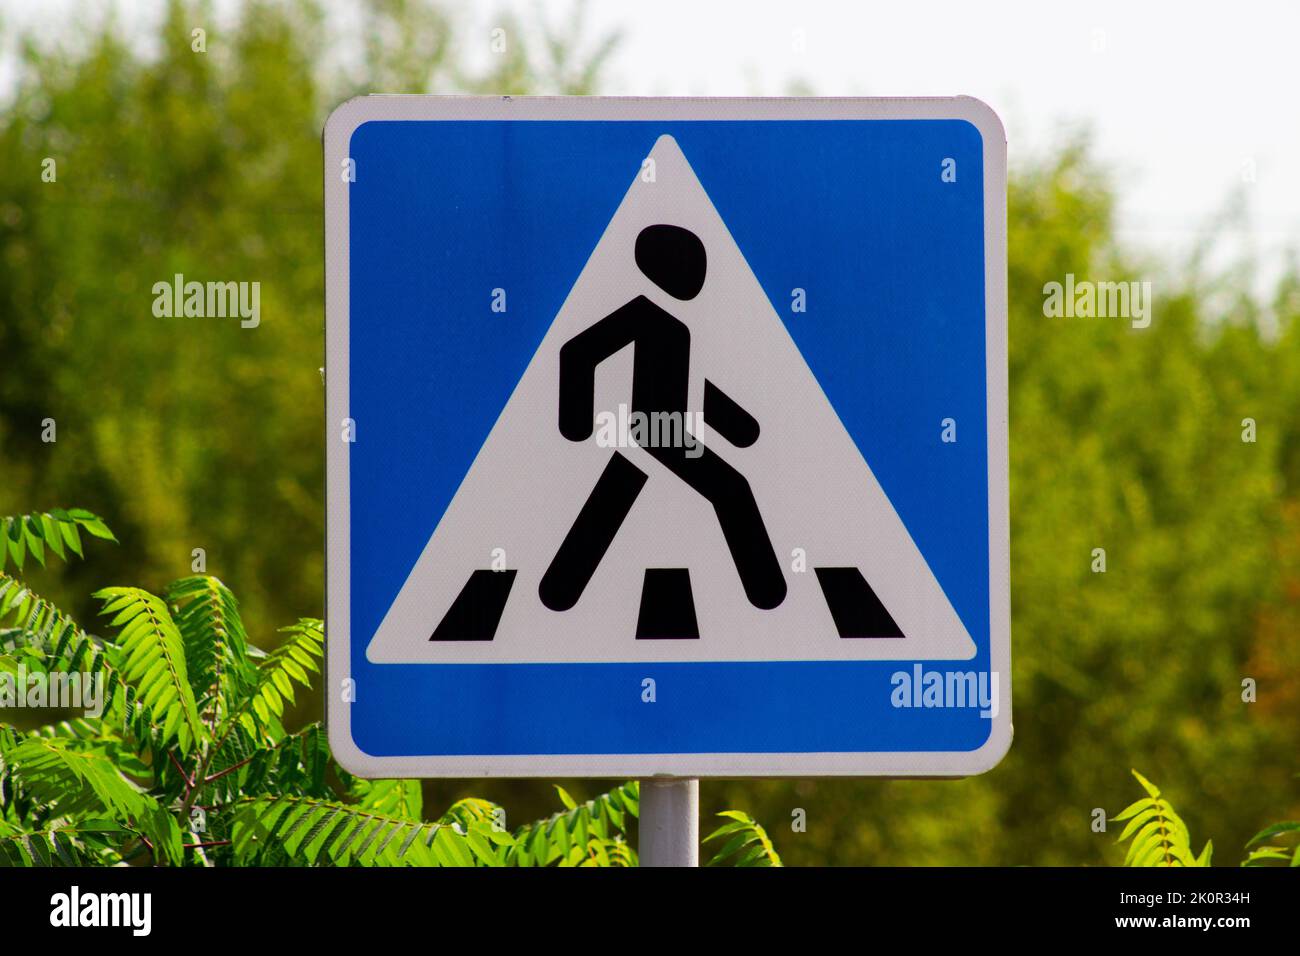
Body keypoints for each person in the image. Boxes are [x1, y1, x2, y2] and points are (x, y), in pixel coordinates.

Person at [539, 223, 787, 614]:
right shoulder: (641, 313)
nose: (698, 277)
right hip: (654, 430)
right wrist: (576, 423)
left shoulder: (677, 326)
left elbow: (690, 387)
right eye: (689, 264)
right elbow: (577, 353)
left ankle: (557, 590)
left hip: (665, 428)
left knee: (614, 495)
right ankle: (766, 590)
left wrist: (738, 426)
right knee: (731, 490)